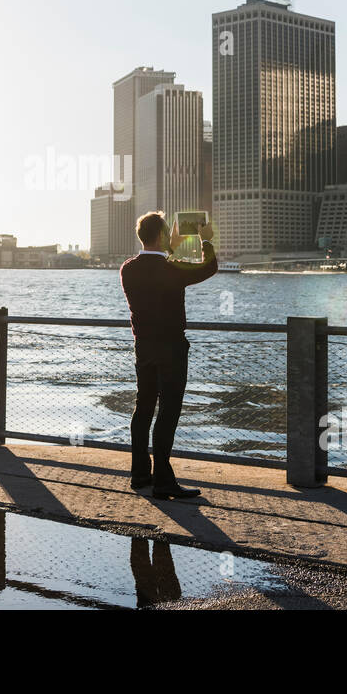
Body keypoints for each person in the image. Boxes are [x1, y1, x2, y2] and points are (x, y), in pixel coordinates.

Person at [119, 210, 218, 499]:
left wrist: (168, 246)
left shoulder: (128, 269)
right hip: (172, 347)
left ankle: (140, 476)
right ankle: (163, 480)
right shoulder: (173, 269)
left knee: (144, 408)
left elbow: (160, 263)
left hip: (144, 348)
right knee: (169, 411)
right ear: (163, 236)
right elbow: (208, 268)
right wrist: (205, 240)